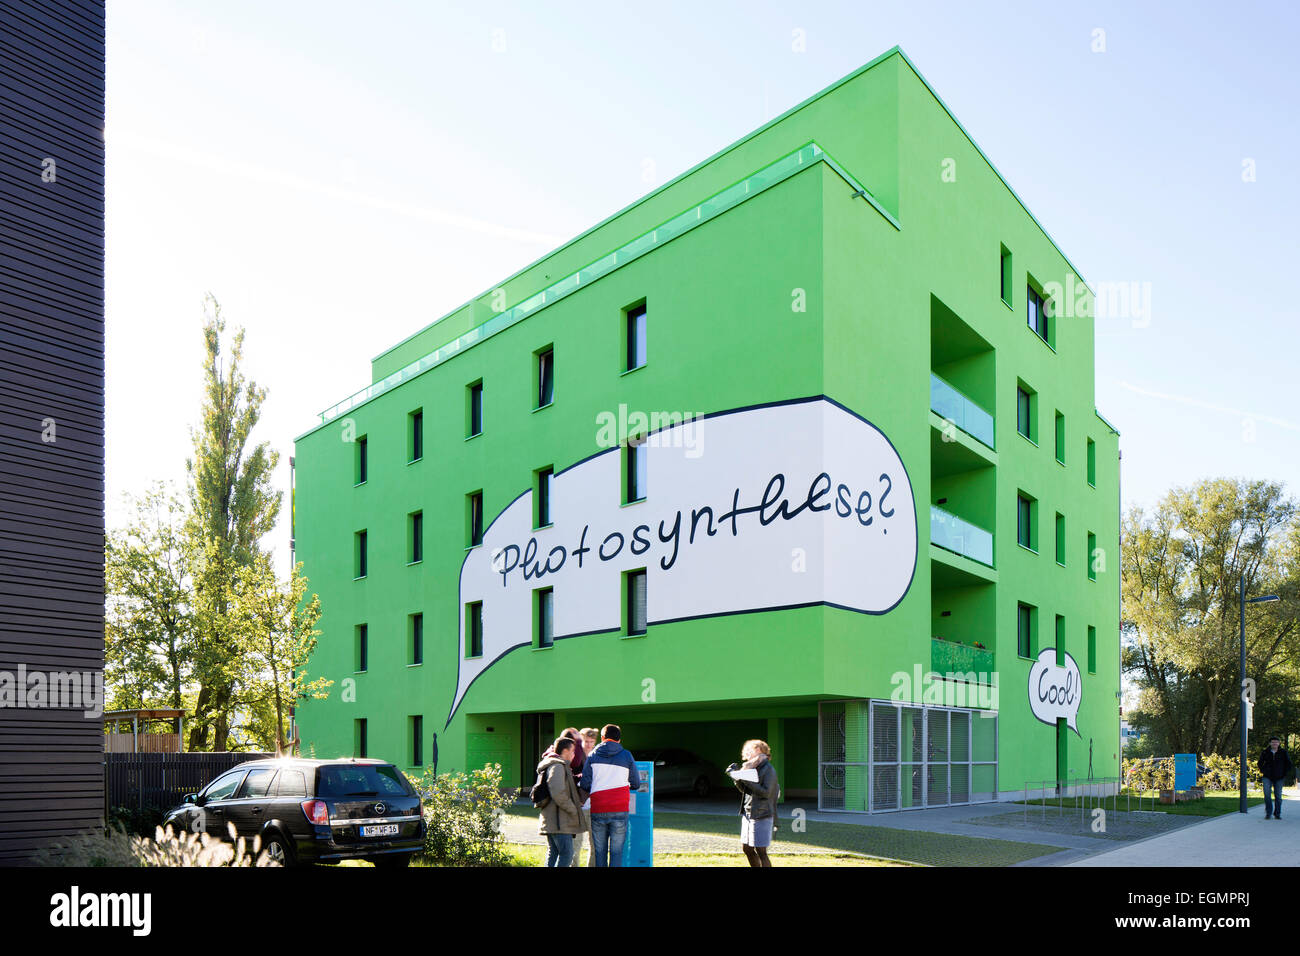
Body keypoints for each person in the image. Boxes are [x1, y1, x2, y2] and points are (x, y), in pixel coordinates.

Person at [579, 723, 639, 867]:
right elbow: (636, 783)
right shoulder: (627, 755)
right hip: (619, 809)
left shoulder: (592, 755)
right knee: (616, 852)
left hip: (598, 808)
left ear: (602, 738)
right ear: (619, 739)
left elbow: (585, 784)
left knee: (599, 852)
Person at [726, 739, 779, 867]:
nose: (748, 752)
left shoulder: (768, 769)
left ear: (762, 752)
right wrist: (735, 776)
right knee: (747, 849)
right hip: (748, 813)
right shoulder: (750, 767)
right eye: (747, 750)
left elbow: (766, 793)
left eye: (752, 750)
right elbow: (744, 790)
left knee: (761, 851)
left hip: (762, 814)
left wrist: (745, 778)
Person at [541, 728, 586, 865]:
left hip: (555, 819)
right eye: (573, 751)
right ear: (565, 751)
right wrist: (573, 809)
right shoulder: (557, 766)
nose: (574, 755)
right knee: (567, 854)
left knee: (554, 853)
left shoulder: (558, 765)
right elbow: (558, 792)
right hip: (560, 820)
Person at [579, 728, 601, 867]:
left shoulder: (597, 757)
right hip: (579, 806)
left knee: (595, 845)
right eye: (586, 741)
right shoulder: (575, 757)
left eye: (592, 742)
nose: (589, 745)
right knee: (574, 845)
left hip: (594, 806)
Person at [1258, 736, 1292, 820]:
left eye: (1276, 742)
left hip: (1279, 777)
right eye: (1273, 742)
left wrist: (1284, 773)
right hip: (1267, 776)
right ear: (1270, 743)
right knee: (1267, 795)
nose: (1274, 744)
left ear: (1279, 743)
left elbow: (1289, 764)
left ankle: (1277, 814)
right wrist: (1263, 771)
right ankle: (1268, 813)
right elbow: (1260, 763)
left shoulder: (1283, 752)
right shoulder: (1265, 752)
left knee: (1278, 796)